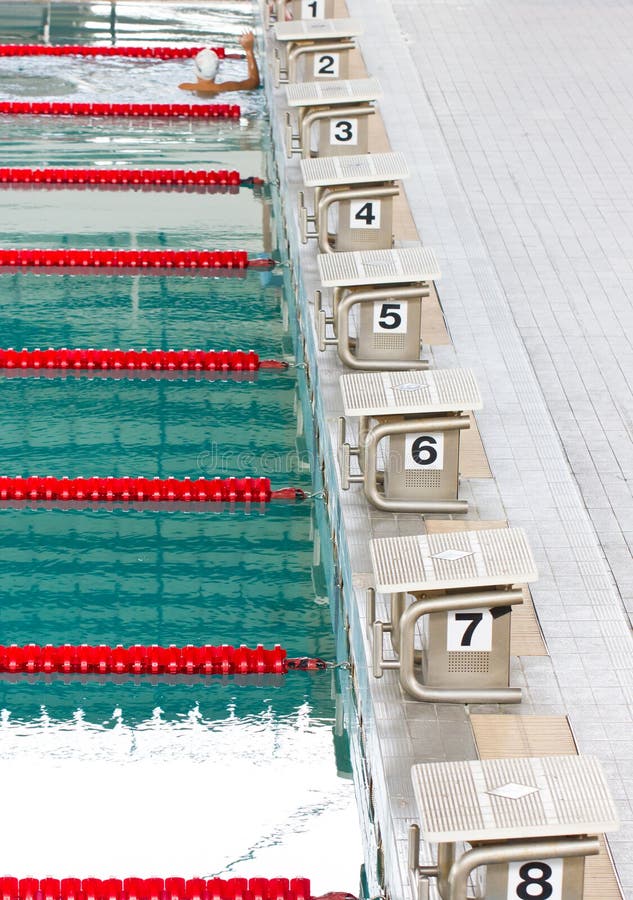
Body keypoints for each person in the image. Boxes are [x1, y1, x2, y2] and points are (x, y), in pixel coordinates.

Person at [179, 31, 260, 95]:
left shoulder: (184, 87)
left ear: (195, 69)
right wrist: (249, 50)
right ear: (218, 69)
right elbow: (254, 82)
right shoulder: (227, 87)